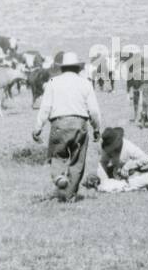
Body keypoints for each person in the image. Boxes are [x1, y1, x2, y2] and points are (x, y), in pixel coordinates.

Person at [33, 51, 102, 201]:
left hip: (58, 124)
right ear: (78, 68)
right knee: (77, 161)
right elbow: (94, 110)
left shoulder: (53, 82)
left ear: (61, 68)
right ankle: (70, 196)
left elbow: (45, 107)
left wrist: (38, 128)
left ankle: (58, 176)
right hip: (80, 124)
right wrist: (96, 128)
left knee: (57, 155)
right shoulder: (86, 83)